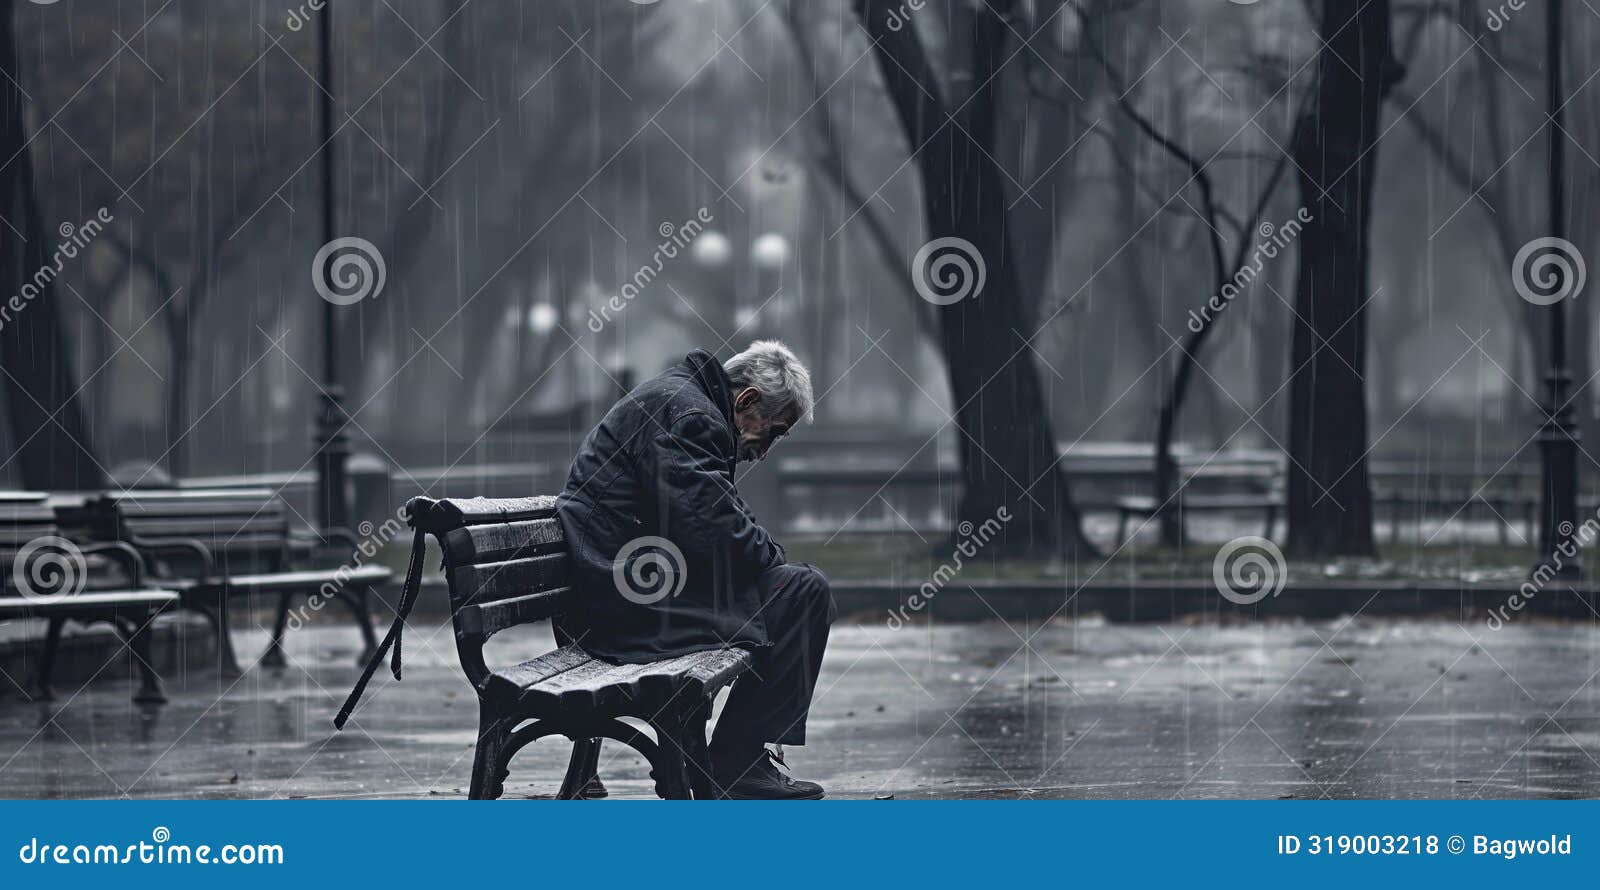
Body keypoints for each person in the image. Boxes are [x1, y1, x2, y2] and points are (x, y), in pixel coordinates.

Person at [555, 341, 835, 799]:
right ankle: (737, 763)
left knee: (795, 588)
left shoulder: (684, 403)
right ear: (746, 401)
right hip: (626, 606)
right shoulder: (692, 416)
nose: (764, 452)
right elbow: (716, 533)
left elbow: (718, 519)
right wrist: (769, 556)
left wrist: (761, 553)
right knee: (803, 593)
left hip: (624, 587)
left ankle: (736, 759)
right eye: (774, 432)